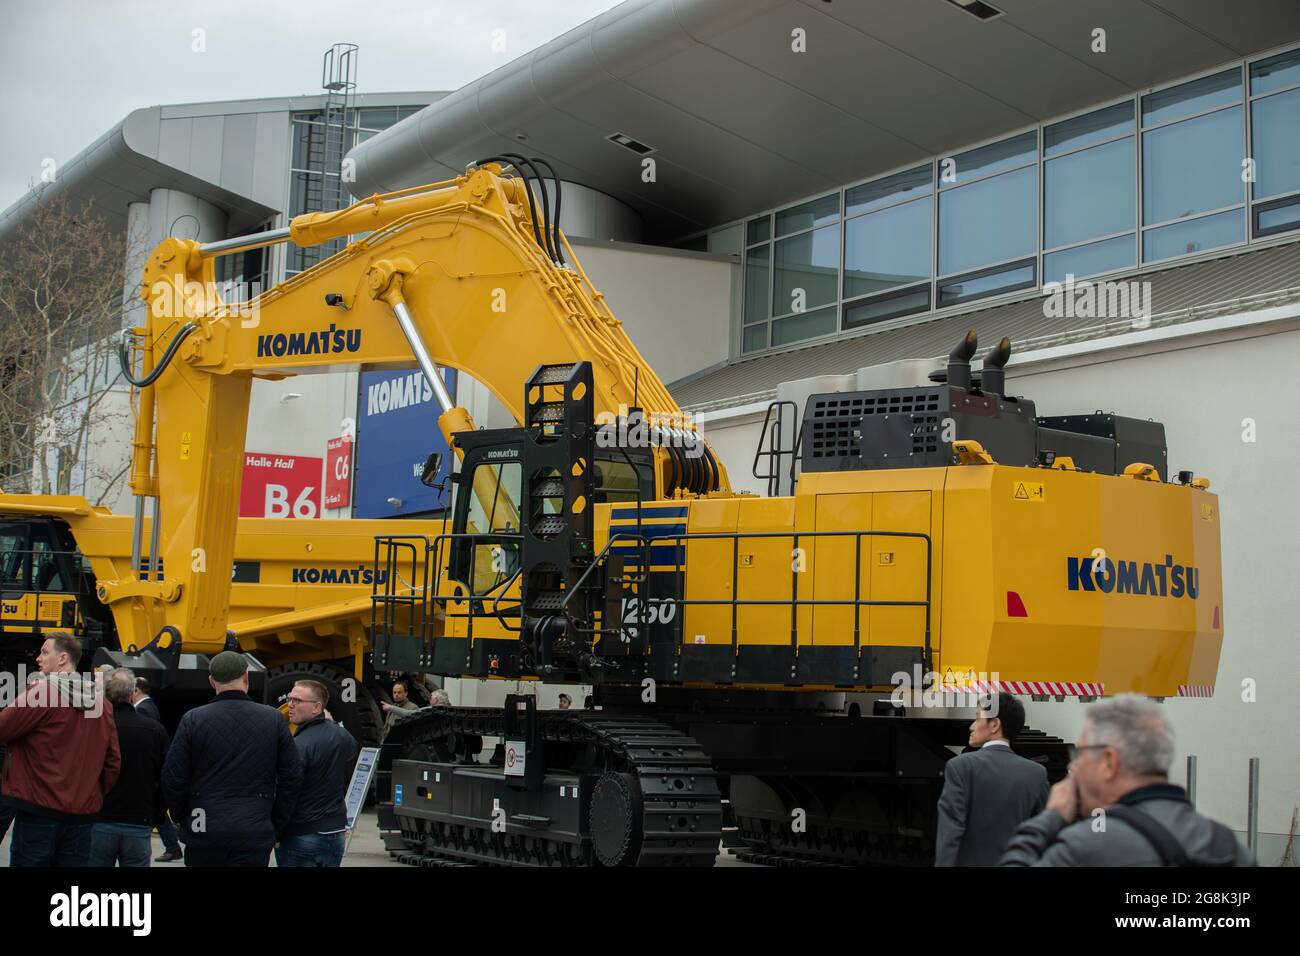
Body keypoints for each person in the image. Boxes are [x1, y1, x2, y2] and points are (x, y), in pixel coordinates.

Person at [1001, 694, 1255, 866]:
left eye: (1081, 753)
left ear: (1110, 762)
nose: (1073, 765)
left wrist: (1052, 816)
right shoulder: (1228, 846)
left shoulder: (1087, 846)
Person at [161, 650, 303, 867]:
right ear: (246, 677)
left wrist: (184, 818)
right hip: (254, 829)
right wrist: (276, 823)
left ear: (211, 681)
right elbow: (292, 776)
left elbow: (173, 777)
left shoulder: (193, 719)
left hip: (204, 829)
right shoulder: (272, 719)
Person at [0, 632, 121, 866]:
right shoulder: (102, 703)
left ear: (63, 658)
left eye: (45, 652)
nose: (38, 658)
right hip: (82, 817)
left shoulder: (42, 693)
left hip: (38, 811)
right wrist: (89, 795)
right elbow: (113, 762)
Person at [934, 692, 1048, 866]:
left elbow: (950, 832)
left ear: (994, 724)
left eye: (978, 718)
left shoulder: (960, 767)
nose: (972, 726)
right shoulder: (1036, 774)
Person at [89, 668, 170, 867]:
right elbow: (166, 777)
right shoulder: (155, 730)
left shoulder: (93, 727)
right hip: (139, 819)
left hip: (99, 818)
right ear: (132, 693)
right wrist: (157, 814)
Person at [278, 679, 360, 867]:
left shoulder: (298, 745)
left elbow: (287, 791)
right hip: (335, 833)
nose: (290, 705)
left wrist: (277, 830)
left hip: (302, 833)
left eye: (297, 701)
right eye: (290, 699)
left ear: (316, 708)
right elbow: (352, 749)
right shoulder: (339, 735)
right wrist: (331, 723)